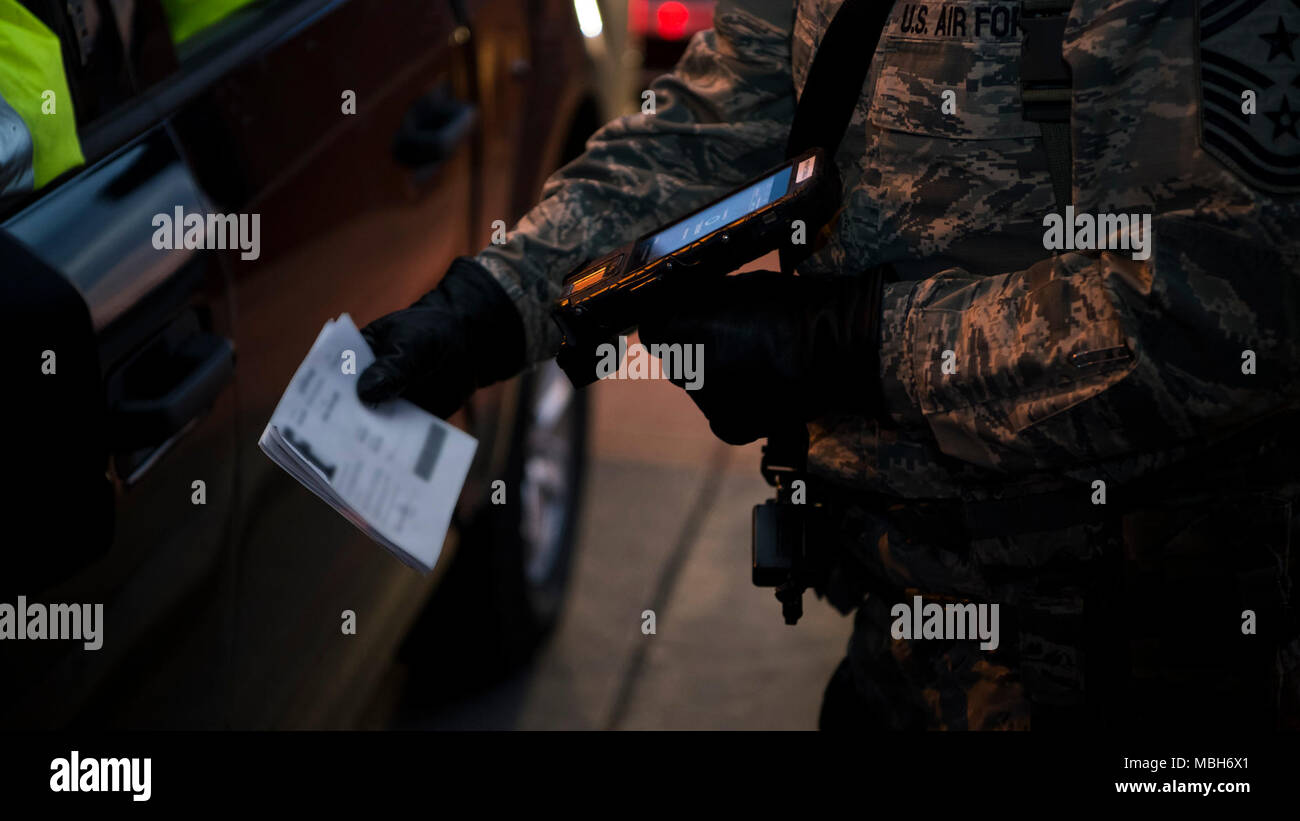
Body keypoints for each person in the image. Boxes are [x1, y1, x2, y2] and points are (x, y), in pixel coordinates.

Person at [358, 0, 1300, 730]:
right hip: (903, 627)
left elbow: (1237, 307)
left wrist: (846, 346)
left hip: (1142, 649)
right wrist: (491, 303)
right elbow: (718, 113)